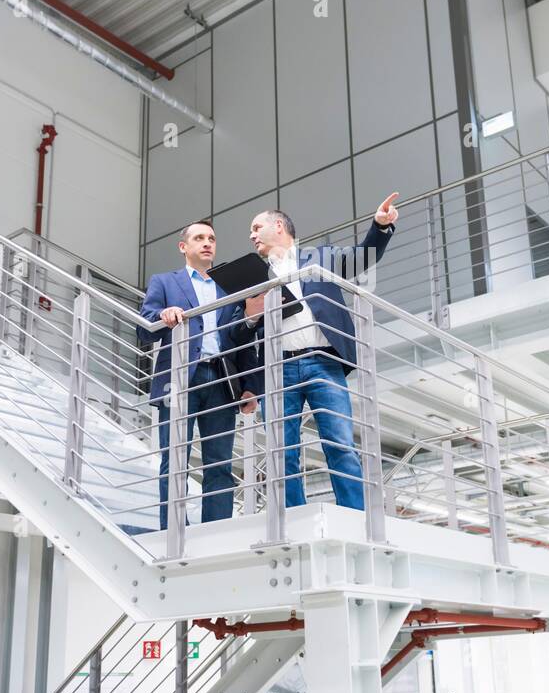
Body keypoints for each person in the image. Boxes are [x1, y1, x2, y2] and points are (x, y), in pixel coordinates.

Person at [238, 193, 399, 511]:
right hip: (278, 369)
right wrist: (250, 314)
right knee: (282, 451)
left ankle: (355, 516)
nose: (252, 235)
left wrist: (379, 226)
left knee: (339, 443)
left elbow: (362, 258)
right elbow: (240, 328)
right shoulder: (255, 280)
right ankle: (294, 518)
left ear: (279, 226)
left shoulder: (320, 258)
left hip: (323, 361)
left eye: (257, 227)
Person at [137, 220, 256, 529]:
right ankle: (173, 531)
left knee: (220, 464)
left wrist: (250, 386)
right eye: (199, 238)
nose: (207, 243)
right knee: (175, 461)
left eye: (212, 238)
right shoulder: (164, 282)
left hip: (222, 381)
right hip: (179, 380)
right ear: (183, 247)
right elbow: (143, 328)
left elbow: (242, 338)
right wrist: (163, 316)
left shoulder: (230, 286)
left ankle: (216, 531)